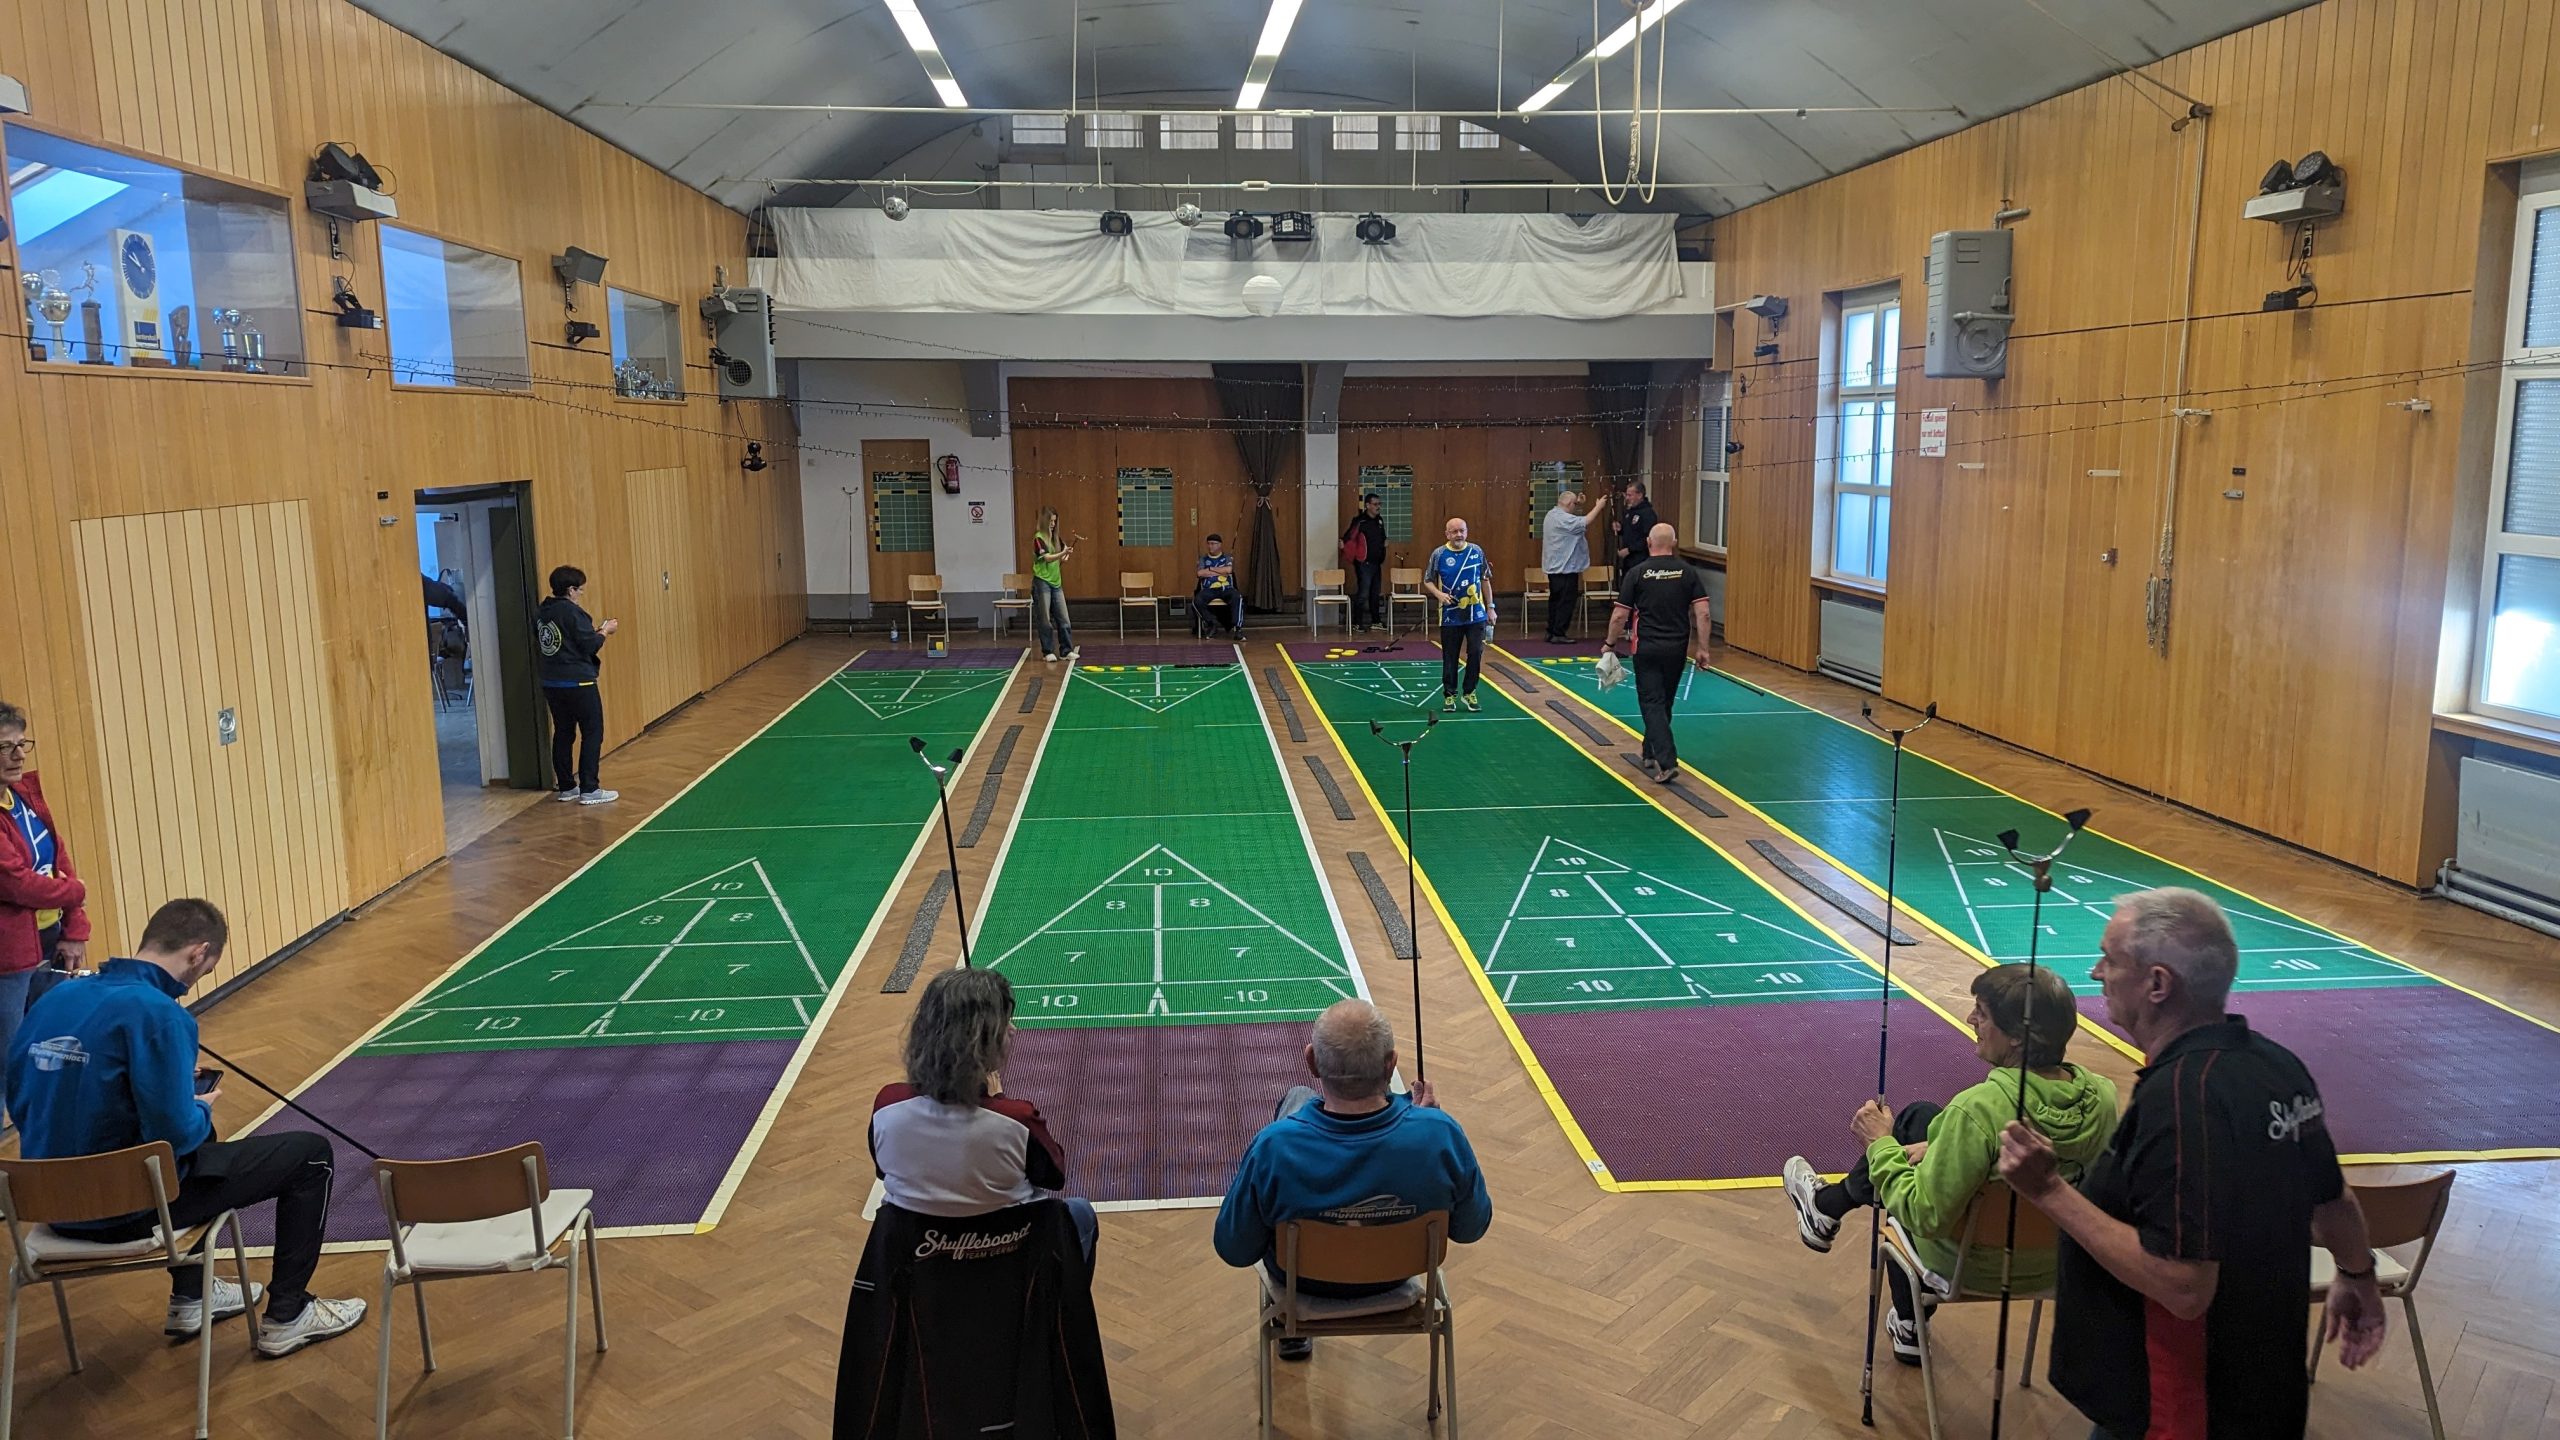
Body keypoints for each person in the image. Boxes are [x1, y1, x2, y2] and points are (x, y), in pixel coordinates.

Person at [1997, 888, 2389, 1439]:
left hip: (2182, 1408)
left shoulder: (2181, 1100)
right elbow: (2331, 1200)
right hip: (2265, 1385)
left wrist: (2048, 1190)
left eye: (2110, 959)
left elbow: (2183, 1287)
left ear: (2157, 984)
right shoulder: (2276, 1065)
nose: (2095, 972)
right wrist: (2357, 1275)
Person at [5, 898, 369, 1355]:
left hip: (49, 1205)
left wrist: (166, 1083)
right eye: (206, 969)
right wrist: (197, 1106)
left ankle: (192, 1297)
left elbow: (21, 1096)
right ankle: (288, 1315)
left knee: (192, 1146)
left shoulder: (56, 997)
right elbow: (177, 1132)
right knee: (310, 1154)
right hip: (125, 1211)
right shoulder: (161, 1013)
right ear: (198, 953)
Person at [1780, 964, 2118, 1365]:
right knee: (1922, 1118)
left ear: (2016, 1036)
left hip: (1972, 1266)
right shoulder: (2104, 1097)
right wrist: (1942, 1145)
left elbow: (1922, 1214)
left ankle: (1909, 1319)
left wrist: (1879, 1144)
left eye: (1982, 1013)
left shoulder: (1977, 1110)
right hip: (2055, 1264)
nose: (1971, 1019)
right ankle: (1827, 1210)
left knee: (1903, 1154)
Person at [1214, 1000, 1492, 1361]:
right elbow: (1471, 1229)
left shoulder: (1274, 1145)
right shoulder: (1441, 1134)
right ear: (1391, 1064)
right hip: (1395, 1278)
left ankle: (1293, 1336)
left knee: (1298, 1098)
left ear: (1312, 1061)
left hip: (1303, 1286)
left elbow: (1235, 1249)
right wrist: (1428, 1128)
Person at [869, 967, 1097, 1264]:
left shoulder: (887, 1103)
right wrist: (999, 1101)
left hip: (917, 1257)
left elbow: (883, 1171)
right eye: (1004, 1023)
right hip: (1006, 1253)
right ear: (981, 1042)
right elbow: (1054, 1176)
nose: (1013, 1029)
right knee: (1080, 1212)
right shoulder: (1017, 1118)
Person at [0, 700, 89, 1127]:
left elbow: (58, 858)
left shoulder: (23, 796)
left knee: (57, 1044)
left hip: (51, 939)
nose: (18, 755)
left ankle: (56, 1132)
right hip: (9, 959)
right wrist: (77, 890)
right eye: (5, 747)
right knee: (10, 1058)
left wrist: (76, 927)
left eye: (22, 744)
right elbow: (17, 883)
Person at [1602, 524, 1711, 781]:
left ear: (1649, 543)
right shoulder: (1688, 572)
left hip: (1647, 648)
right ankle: (1650, 751)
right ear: (1674, 542)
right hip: (1676, 649)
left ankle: (1667, 761)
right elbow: (1703, 613)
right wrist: (1703, 649)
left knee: (1652, 702)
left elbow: (1619, 615)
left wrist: (1610, 644)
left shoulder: (1637, 573)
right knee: (1665, 701)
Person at [536, 565, 619, 805]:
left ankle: (567, 786)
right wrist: (604, 631)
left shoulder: (542, 612)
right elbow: (589, 645)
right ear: (571, 589)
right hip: (579, 681)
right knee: (592, 731)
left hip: (551, 681)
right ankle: (590, 788)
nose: (581, 594)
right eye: (580, 590)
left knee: (563, 732)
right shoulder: (572, 612)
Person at [1423, 517, 1494, 712]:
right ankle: (1449, 695)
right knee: (1450, 656)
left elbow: (1485, 579)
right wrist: (1439, 595)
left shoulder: (1476, 551)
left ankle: (1469, 692)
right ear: (1447, 534)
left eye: (1462, 530)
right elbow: (1428, 580)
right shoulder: (1439, 554)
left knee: (1475, 653)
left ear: (1467, 532)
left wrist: (1491, 607)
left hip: (1475, 614)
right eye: (1454, 531)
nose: (1458, 535)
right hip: (1450, 616)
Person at [1540, 486, 1602, 644]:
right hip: (1565, 568)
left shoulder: (1551, 515)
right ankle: (1559, 633)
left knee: (1555, 601)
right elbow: (1584, 522)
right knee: (1565, 602)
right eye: (1575, 504)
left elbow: (1572, 517)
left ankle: (1551, 631)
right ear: (1569, 504)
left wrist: (1578, 503)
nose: (1576, 507)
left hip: (1555, 568)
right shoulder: (1563, 519)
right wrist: (1598, 507)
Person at [1028, 508, 1080, 663]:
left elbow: (1060, 559)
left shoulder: (1057, 538)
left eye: (1055, 521)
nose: (1053, 524)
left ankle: (1066, 651)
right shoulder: (1038, 538)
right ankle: (1048, 651)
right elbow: (1048, 558)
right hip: (1042, 582)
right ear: (1044, 521)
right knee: (1045, 619)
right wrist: (1062, 554)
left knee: (1064, 618)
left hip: (1056, 583)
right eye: (1050, 521)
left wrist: (1065, 555)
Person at [1341, 493, 1389, 633]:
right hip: (1363, 563)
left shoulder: (1379, 520)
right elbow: (1349, 536)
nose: (1378, 507)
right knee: (1363, 594)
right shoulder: (1360, 521)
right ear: (1367, 505)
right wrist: (1344, 546)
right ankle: (1357, 623)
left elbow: (1382, 537)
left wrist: (1384, 543)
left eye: (1379, 504)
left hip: (1376, 563)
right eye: (1375, 504)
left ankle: (1376, 621)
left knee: (1375, 593)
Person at [1194, 533, 1244, 638]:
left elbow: (1228, 570)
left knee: (1237, 597)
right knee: (1196, 601)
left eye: (1213, 544)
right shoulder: (1203, 559)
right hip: (1209, 589)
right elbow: (1200, 573)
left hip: (1226, 588)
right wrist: (1221, 571)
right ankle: (1212, 623)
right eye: (1208, 544)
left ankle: (1238, 628)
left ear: (1219, 545)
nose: (1210, 546)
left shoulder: (1226, 557)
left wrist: (1210, 569)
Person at [1612, 480, 1659, 580]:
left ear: (1639, 495)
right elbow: (1631, 531)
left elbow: (1649, 538)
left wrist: (1630, 550)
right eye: (1627, 495)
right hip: (1628, 560)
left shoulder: (1648, 513)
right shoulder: (1629, 512)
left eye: (1630, 495)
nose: (1627, 498)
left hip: (1641, 559)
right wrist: (1620, 529)